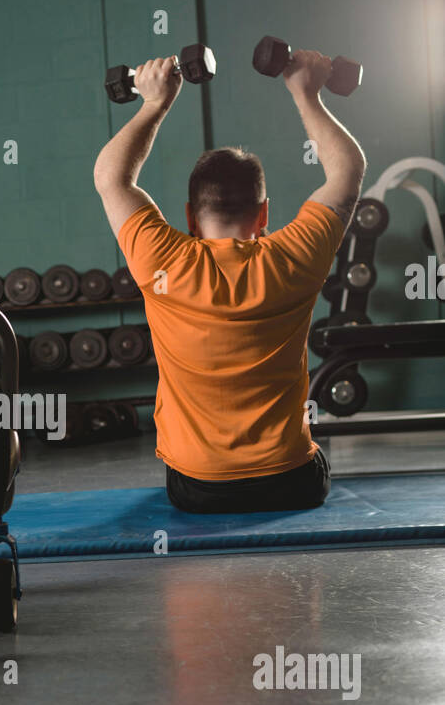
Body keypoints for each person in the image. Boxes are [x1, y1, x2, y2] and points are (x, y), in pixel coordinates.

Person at [92, 50, 366, 513]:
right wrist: (306, 93)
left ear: (189, 217)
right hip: (293, 482)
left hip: (196, 489)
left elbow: (111, 178)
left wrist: (154, 103)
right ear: (263, 213)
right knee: (310, 461)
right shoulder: (294, 257)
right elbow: (348, 172)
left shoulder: (163, 260)